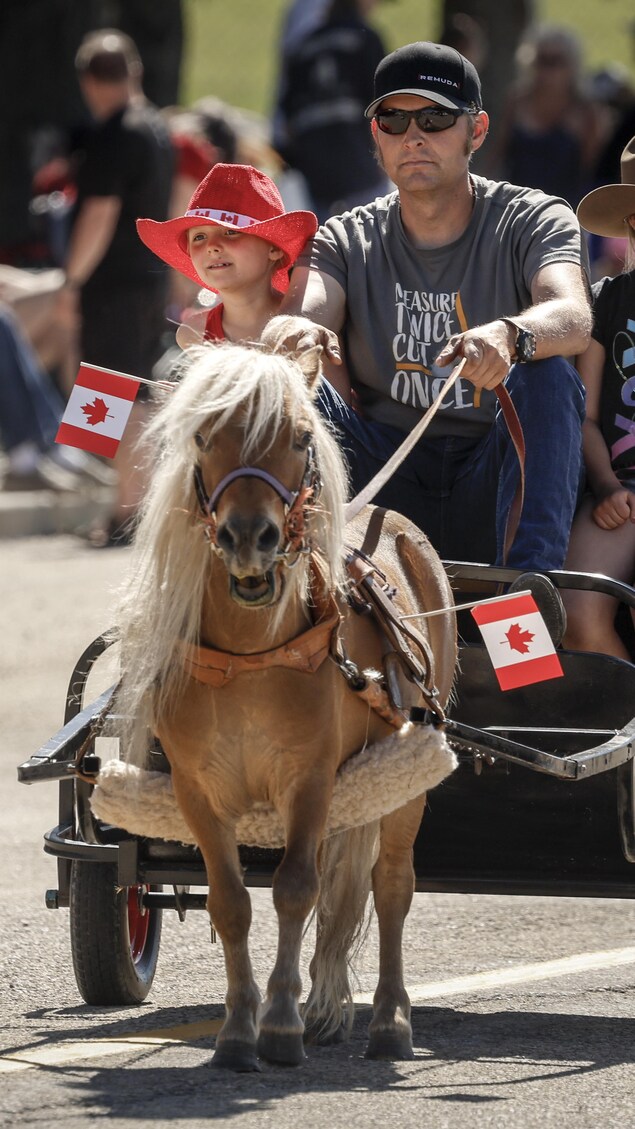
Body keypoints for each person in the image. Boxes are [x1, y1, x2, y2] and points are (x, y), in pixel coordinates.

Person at [268, 40, 592, 587]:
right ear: (377, 138)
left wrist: (511, 335)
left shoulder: (533, 216)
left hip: (492, 473)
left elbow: (573, 314)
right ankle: (290, 579)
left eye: (437, 117)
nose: (413, 136)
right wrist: (296, 328)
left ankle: (531, 593)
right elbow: (307, 309)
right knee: (288, 384)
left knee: (549, 374)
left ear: (478, 131)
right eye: (393, 119)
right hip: (380, 471)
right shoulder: (345, 235)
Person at [55, 29, 174, 546]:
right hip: (147, 280)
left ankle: (129, 508)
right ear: (135, 70)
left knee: (108, 393)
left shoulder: (113, 135)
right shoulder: (157, 128)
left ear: (87, 81)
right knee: (131, 391)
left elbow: (99, 217)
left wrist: (70, 280)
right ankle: (132, 502)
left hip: (113, 285)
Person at [562, 138, 635, 660]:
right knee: (576, 613)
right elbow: (585, 417)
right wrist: (606, 485)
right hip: (619, 494)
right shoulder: (606, 301)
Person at [136, 162, 317, 348]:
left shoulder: (306, 328)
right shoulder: (194, 334)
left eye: (231, 232)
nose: (212, 247)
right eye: (199, 237)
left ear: (274, 249)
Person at [273, 0, 390, 221]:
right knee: (372, 235)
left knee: (327, 240)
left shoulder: (304, 46)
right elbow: (383, 101)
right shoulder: (365, 38)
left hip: (316, 172)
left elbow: (288, 118)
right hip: (360, 162)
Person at [486, 25, 603, 210]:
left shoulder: (586, 112)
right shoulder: (517, 101)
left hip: (566, 211)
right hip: (517, 208)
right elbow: (497, 155)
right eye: (542, 60)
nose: (548, 70)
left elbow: (593, 172)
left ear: (572, 65)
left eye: (556, 61)